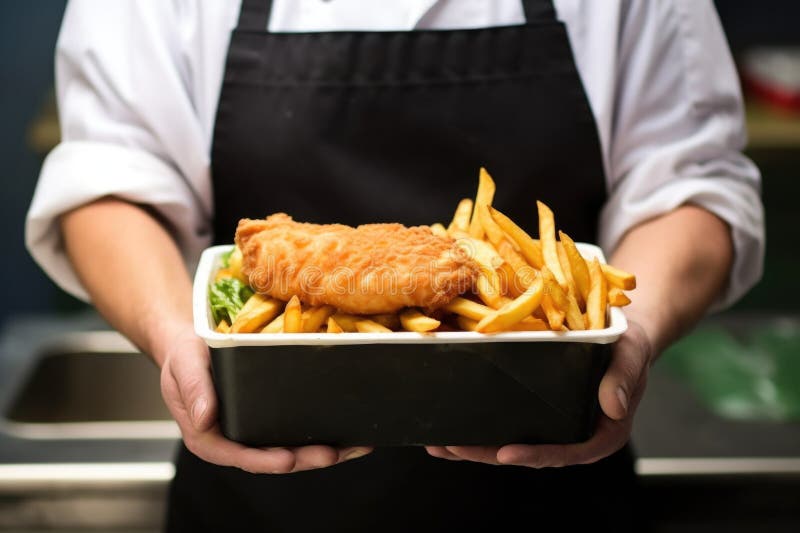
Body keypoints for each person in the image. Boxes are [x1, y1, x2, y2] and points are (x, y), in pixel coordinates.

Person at [26, 0, 764, 531]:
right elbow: (108, 178)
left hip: (558, 483)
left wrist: (626, 338)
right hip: (256, 496)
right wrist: (174, 339)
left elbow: (691, 185)